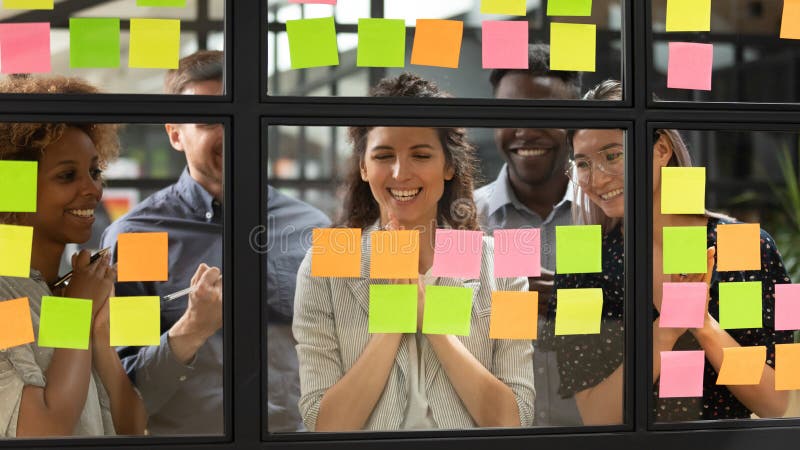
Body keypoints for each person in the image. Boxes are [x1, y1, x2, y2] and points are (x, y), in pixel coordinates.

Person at [540, 79, 793, 424]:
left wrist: (703, 326)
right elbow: (598, 415)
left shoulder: (745, 246)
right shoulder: (583, 262)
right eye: (582, 163)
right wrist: (664, 333)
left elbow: (774, 402)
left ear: (661, 149)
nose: (596, 180)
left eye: (613, 155)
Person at [293, 74, 535, 431]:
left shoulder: (505, 264)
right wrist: (393, 322)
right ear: (363, 167)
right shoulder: (322, 261)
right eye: (383, 155)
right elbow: (323, 424)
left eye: (421, 155)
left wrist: (432, 322)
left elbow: (516, 418)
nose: (400, 172)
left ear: (449, 166)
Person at [0, 76, 146, 437]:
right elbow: (42, 430)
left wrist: (97, 336)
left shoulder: (67, 287)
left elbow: (133, 428)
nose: (93, 188)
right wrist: (78, 312)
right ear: (12, 187)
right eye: (68, 175)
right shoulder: (7, 293)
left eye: (95, 172)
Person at [100, 51, 224, 435]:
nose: (228, 132)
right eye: (209, 121)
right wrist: (190, 329)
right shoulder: (141, 239)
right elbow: (124, 390)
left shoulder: (307, 226)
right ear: (175, 134)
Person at [473, 43, 583, 426]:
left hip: (598, 432)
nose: (524, 131)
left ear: (573, 122)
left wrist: (572, 302)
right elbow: (441, 326)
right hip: (495, 432)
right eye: (510, 113)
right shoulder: (464, 219)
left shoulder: (610, 216)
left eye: (544, 113)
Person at [265, 186, 331, 432]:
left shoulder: (316, 227)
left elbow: (343, 329)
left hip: (296, 432)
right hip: (186, 437)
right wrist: (189, 330)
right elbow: (137, 377)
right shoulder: (141, 231)